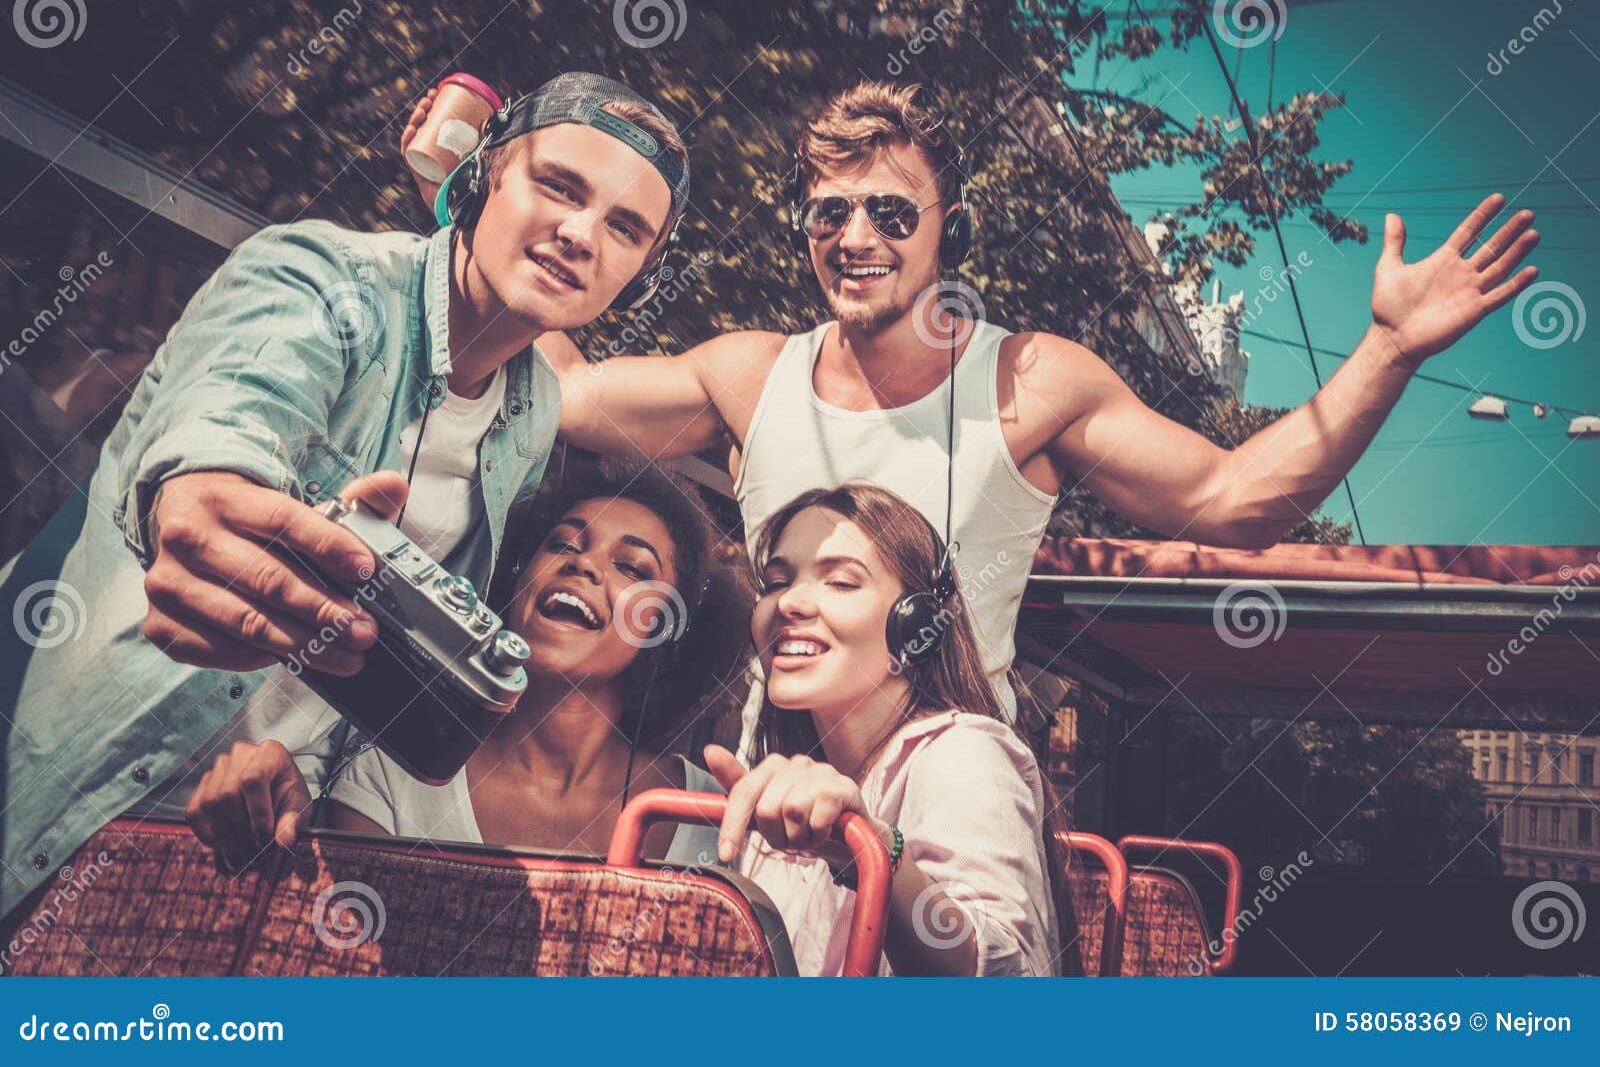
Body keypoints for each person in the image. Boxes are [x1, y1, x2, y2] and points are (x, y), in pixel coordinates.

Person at [406, 79, 1543, 743]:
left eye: (893, 214)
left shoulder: (1032, 381)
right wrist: (469, 200)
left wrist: (1388, 348)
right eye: (829, 212)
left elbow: (1234, 498)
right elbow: (554, 381)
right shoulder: (748, 373)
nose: (857, 238)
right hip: (758, 809)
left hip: (947, 825)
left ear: (949, 228)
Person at [0, 71, 693, 919]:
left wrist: (304, 775)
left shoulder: (534, 410)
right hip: (82, 802)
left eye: (625, 228)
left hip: (264, 856)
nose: (581, 234)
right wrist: (206, 503)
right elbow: (224, 427)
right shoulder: (319, 273)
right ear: (482, 176)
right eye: (559, 185)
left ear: (639, 277)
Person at [185, 459, 751, 871]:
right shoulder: (389, 782)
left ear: (667, 633)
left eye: (631, 567)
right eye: (561, 544)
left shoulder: (713, 815)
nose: (584, 566)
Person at [703, 482, 1067, 977]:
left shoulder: (964, 754)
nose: (790, 603)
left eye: (841, 582)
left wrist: (873, 853)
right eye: (776, 582)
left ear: (913, 623)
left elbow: (1001, 978)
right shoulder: (784, 782)